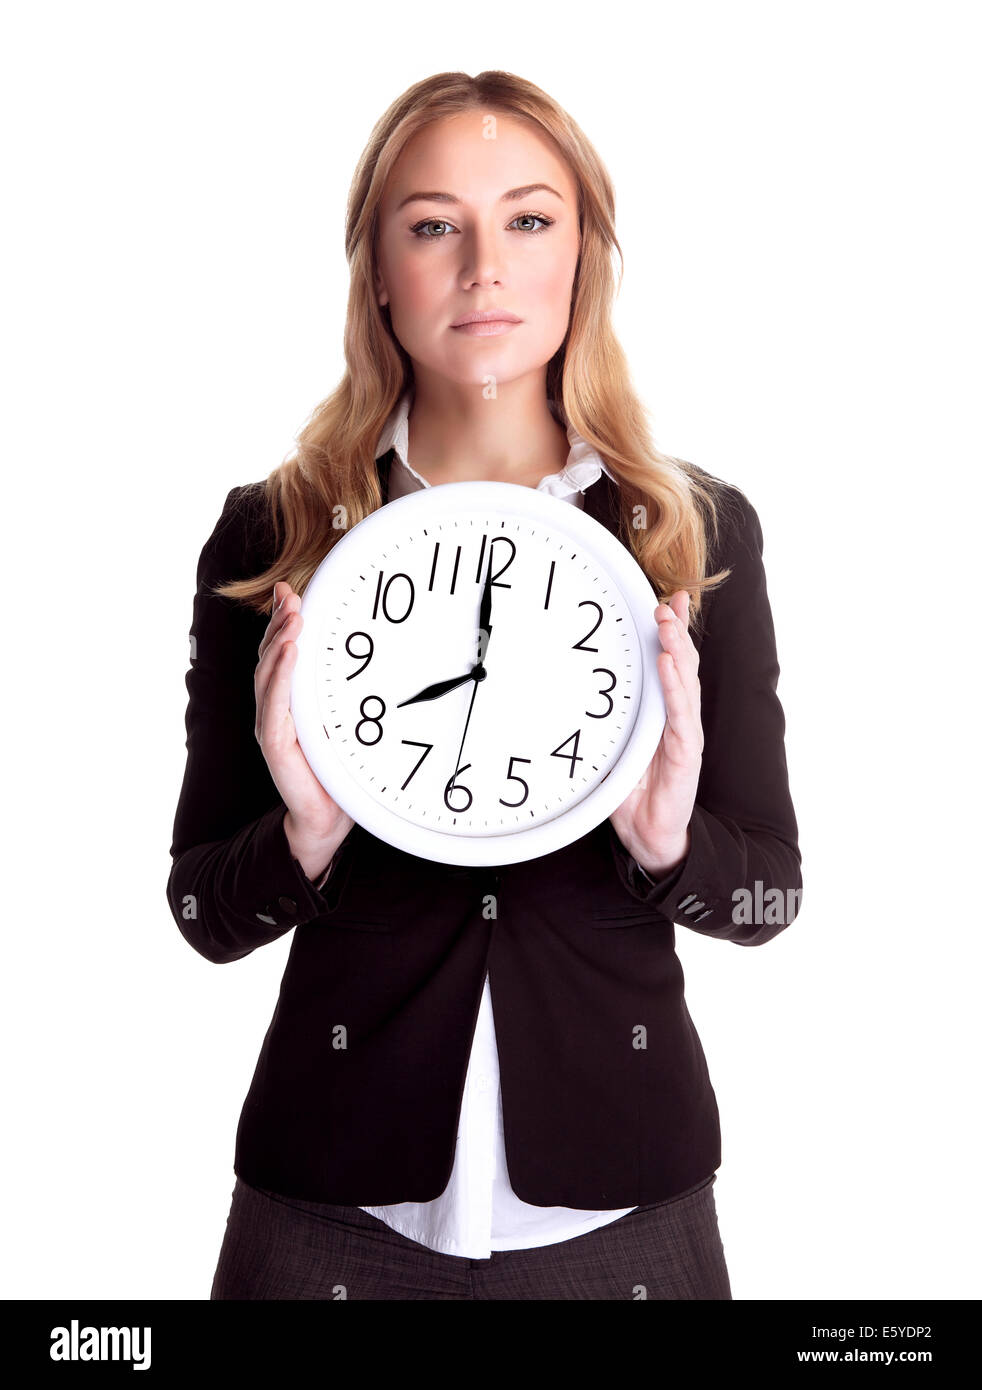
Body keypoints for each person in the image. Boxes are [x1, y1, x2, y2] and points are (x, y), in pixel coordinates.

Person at [166, 70, 802, 1301]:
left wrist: (672, 846)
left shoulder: (692, 528)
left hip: (622, 1211)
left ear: (584, 253)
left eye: (526, 218)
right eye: (432, 224)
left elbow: (770, 897)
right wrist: (302, 837)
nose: (483, 268)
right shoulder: (274, 533)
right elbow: (202, 915)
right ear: (378, 269)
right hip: (329, 1208)